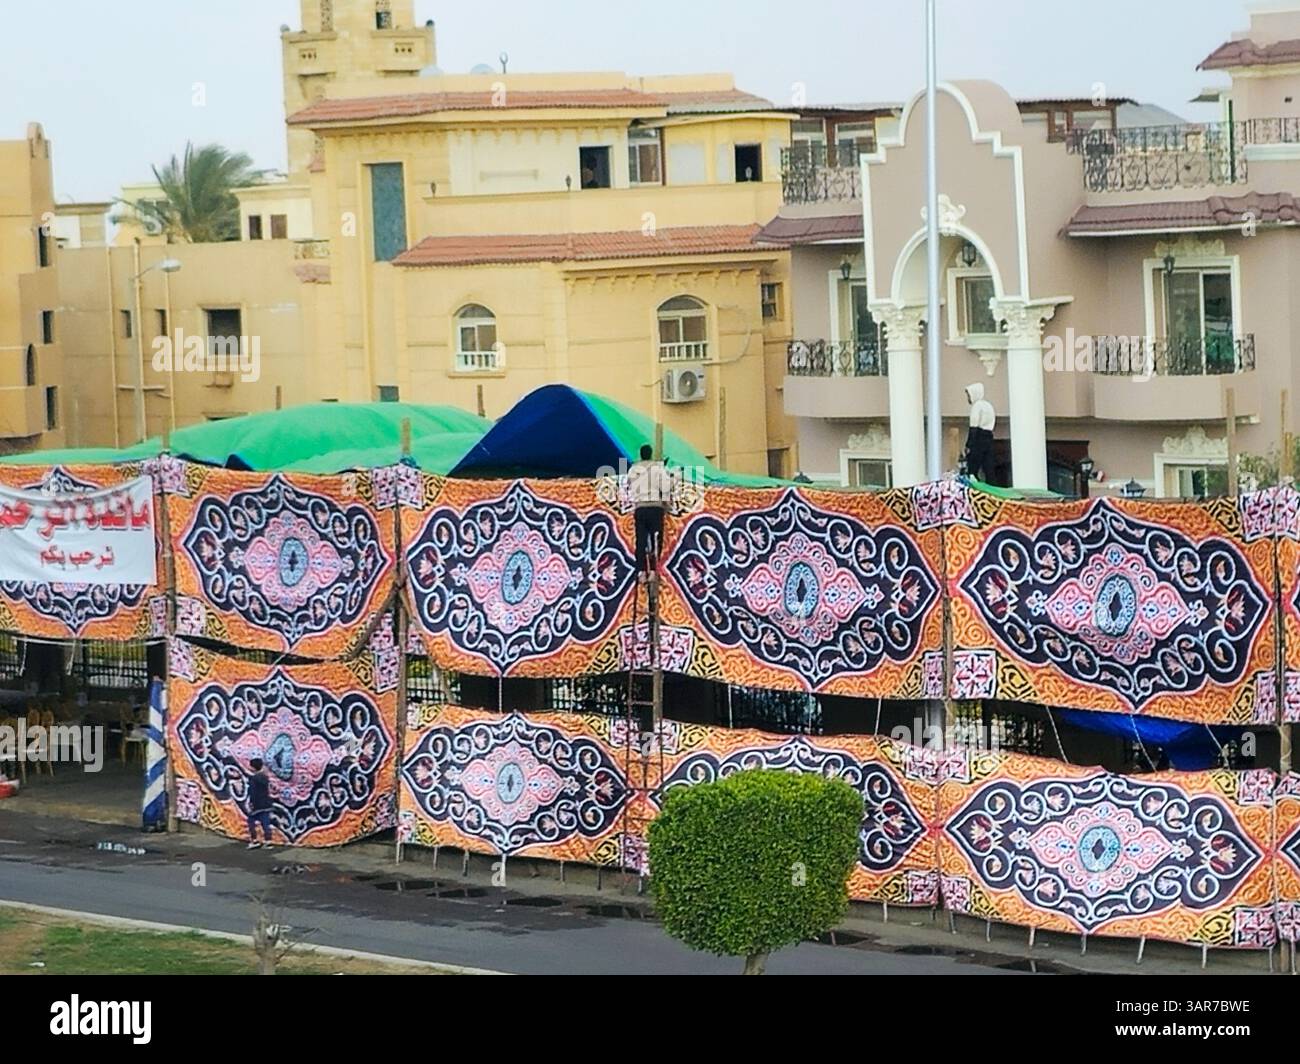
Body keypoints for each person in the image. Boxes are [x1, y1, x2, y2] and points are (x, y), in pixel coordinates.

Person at [628, 444, 670, 580]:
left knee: (641, 540)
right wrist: (666, 503)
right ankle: (653, 570)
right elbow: (665, 487)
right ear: (651, 454)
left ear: (641, 454)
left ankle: (641, 571)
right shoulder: (658, 468)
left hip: (640, 507)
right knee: (656, 538)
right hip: (655, 507)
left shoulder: (634, 469)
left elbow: (629, 486)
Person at [963, 382, 996, 483]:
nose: (968, 398)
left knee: (973, 468)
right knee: (989, 468)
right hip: (989, 437)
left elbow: (974, 427)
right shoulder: (989, 406)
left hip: (978, 438)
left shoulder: (976, 406)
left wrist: (969, 444)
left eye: (969, 395)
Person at [246, 758, 273, 849]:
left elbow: (253, 792)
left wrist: (251, 803)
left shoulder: (254, 779)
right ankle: (268, 841)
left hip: (257, 804)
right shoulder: (265, 777)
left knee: (251, 822)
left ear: (253, 767)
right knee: (265, 822)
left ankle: (254, 840)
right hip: (266, 803)